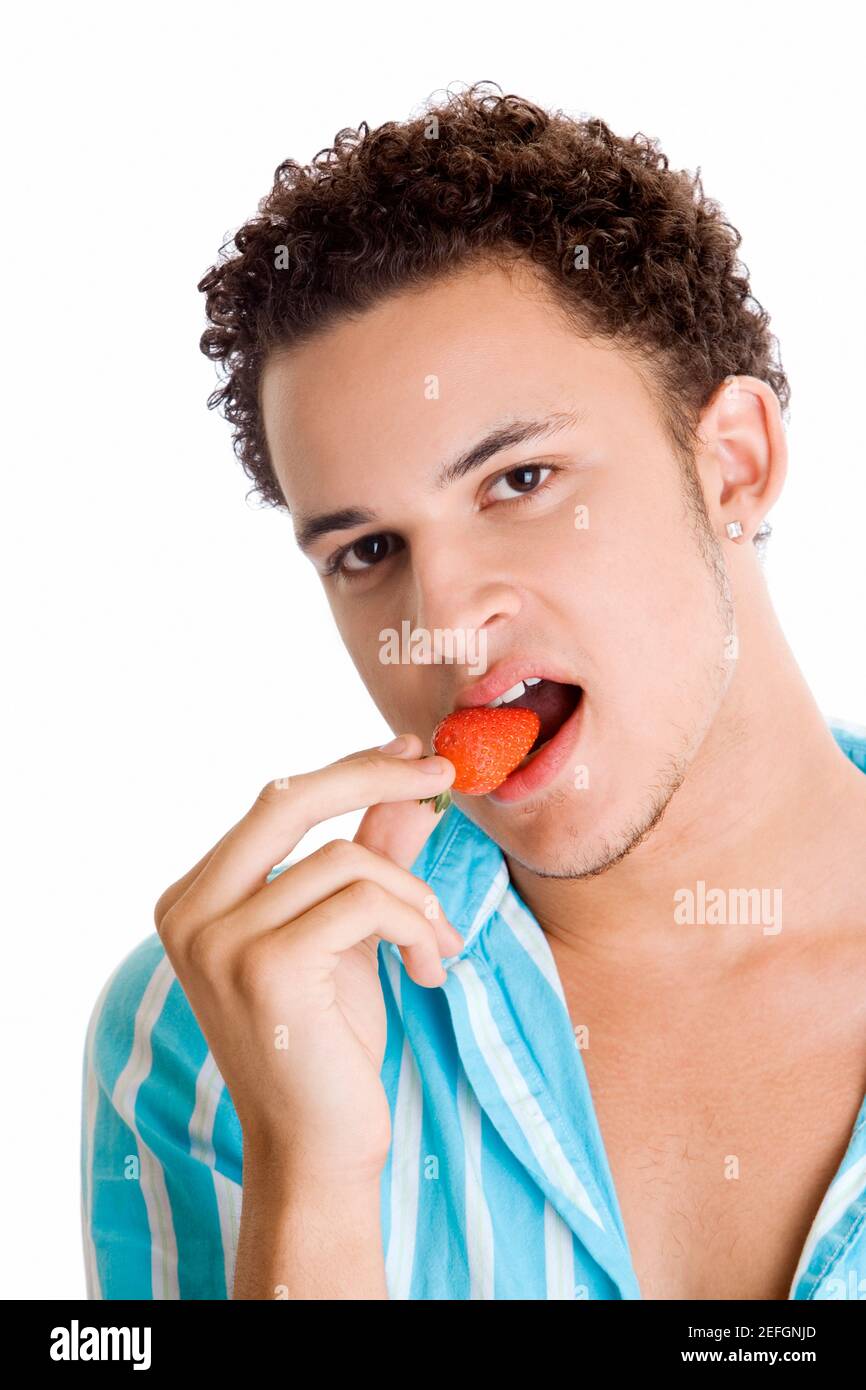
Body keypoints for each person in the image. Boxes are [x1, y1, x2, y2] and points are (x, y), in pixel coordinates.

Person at [80, 81, 866, 1301]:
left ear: (732, 464)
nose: (441, 624)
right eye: (366, 551)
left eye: (520, 478)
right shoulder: (211, 1029)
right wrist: (316, 1180)